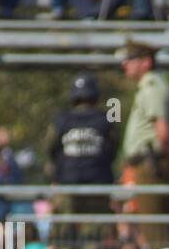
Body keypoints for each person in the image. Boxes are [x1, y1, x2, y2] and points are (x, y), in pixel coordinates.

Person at [120, 41, 169, 245]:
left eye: (130, 60)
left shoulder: (152, 86)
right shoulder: (149, 87)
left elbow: (163, 133)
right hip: (147, 164)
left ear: (146, 62)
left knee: (154, 231)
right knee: (150, 229)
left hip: (151, 165)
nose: (125, 65)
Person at [46, 73, 118, 230]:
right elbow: (113, 150)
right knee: (95, 235)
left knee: (65, 236)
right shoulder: (106, 120)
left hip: (67, 185)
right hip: (97, 187)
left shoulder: (61, 120)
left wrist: (55, 173)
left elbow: (50, 148)